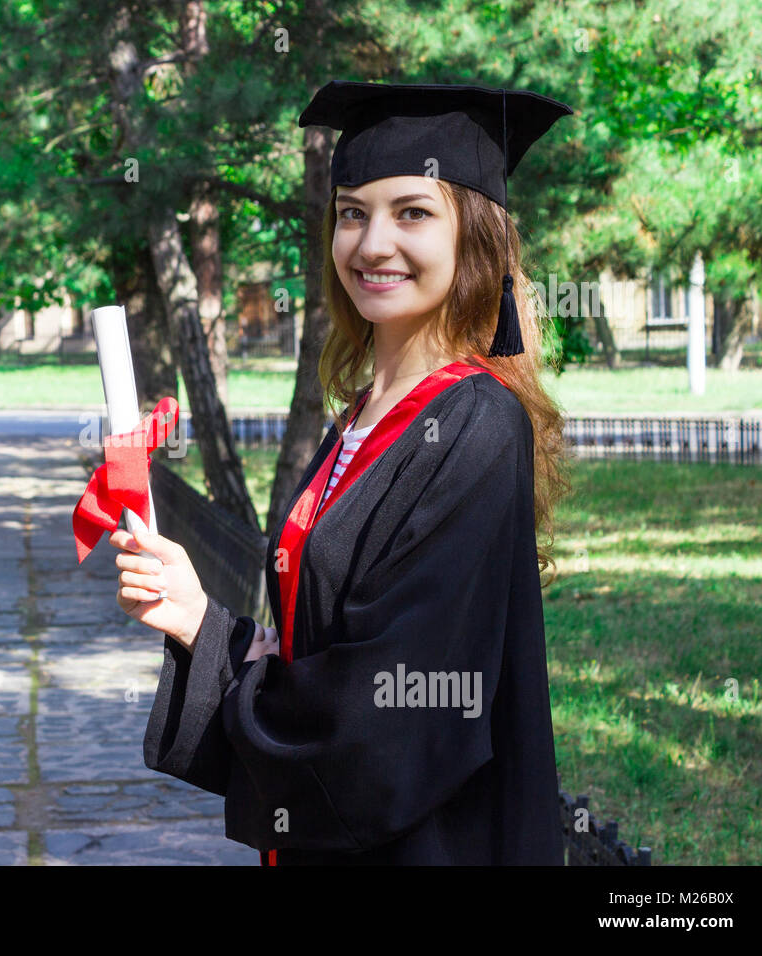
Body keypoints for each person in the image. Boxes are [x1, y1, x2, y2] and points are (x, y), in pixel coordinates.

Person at [111, 81, 575, 865]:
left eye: (413, 213)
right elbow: (321, 645)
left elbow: (393, 711)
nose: (371, 243)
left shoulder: (475, 421)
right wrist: (197, 618)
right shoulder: (358, 417)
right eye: (353, 212)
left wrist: (241, 699)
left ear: (478, 240)